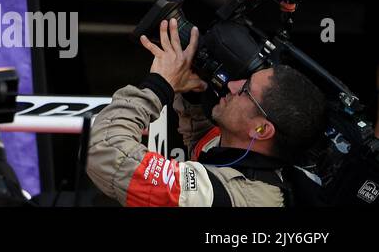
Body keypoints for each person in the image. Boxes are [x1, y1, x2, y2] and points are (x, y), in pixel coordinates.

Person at [86, 18, 327, 206]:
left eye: (244, 90)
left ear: (261, 129)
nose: (231, 86)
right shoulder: (253, 157)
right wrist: (193, 94)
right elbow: (207, 147)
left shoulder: (223, 197)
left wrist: (159, 85)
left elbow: (106, 152)